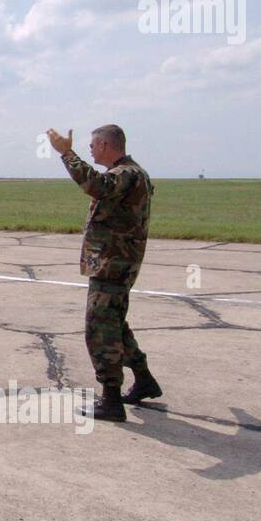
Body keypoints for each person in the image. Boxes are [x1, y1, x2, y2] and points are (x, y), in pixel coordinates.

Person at [47, 125, 162, 421]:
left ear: (107, 146)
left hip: (114, 264)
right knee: (115, 325)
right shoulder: (132, 173)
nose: (91, 150)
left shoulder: (126, 174)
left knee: (100, 329)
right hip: (116, 263)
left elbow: (95, 185)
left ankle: (111, 400)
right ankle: (144, 379)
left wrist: (66, 154)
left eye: (93, 146)